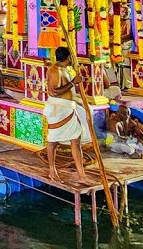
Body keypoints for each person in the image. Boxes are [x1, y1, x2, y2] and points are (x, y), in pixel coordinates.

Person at [44, 47, 90, 184]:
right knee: (53, 141)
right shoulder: (55, 71)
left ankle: (82, 175)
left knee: (76, 140)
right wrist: (72, 83)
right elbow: (54, 92)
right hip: (59, 109)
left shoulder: (64, 70)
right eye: (71, 57)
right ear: (67, 57)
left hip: (68, 108)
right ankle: (52, 170)